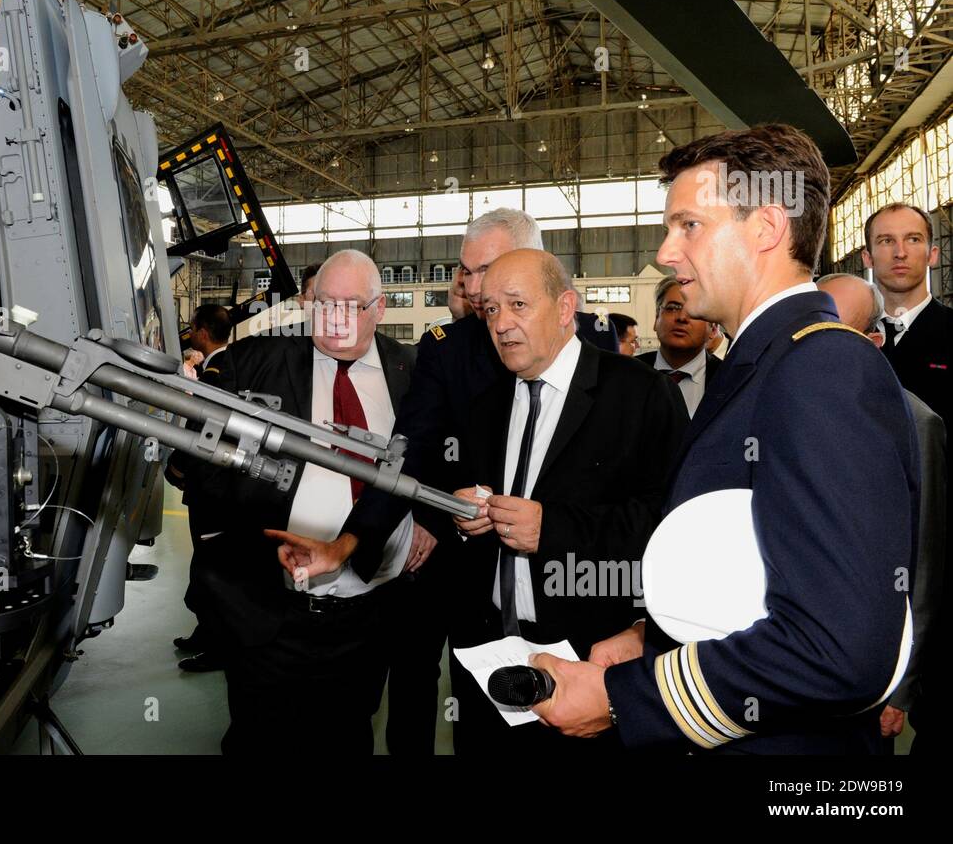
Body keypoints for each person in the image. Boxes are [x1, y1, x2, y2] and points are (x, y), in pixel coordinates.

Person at [528, 123, 917, 754]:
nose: (666, 252)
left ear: (765, 228)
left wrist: (626, 695)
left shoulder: (821, 369)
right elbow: (758, 572)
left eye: (689, 225)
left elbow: (842, 648)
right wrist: (652, 635)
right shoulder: (766, 364)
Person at [261, 208, 607, 754]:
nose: (473, 288)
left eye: (488, 272)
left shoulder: (606, 360)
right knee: (469, 714)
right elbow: (410, 452)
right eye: (467, 273)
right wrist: (360, 539)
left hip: (576, 583)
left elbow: (627, 491)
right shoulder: (448, 348)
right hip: (464, 573)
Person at [444, 249, 687, 753]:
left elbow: (671, 525)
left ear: (564, 308)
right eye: (490, 309)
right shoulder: (483, 405)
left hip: (591, 669)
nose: (502, 324)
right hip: (488, 660)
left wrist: (551, 530)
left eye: (517, 305)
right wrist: (464, 515)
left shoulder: (639, 394)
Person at [186, 249, 418, 754]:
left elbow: (436, 459)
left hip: (369, 611)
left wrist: (430, 523)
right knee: (258, 739)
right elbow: (193, 469)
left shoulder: (412, 372)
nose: (334, 318)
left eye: (351, 306)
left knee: (349, 737)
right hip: (268, 610)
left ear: (380, 308)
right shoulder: (251, 363)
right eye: (324, 303)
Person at [819, 272, 947, 751]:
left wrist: (902, 686)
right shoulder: (778, 410)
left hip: (869, 677)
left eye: (831, 330)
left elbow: (926, 566)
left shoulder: (915, 424)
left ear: (873, 341)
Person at [863, 201, 953, 753]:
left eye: (913, 240)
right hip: (864, 542)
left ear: (933, 253)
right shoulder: (844, 339)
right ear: (869, 256)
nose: (900, 251)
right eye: (888, 241)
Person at [170, 304, 234, 671]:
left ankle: (219, 644)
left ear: (203, 331)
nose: (189, 333)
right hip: (217, 488)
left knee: (214, 565)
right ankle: (206, 630)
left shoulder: (214, 375)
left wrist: (177, 465)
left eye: (192, 327)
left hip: (212, 491)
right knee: (208, 560)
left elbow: (198, 431)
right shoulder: (228, 366)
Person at [636, 277, 722, 417]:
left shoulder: (729, 378)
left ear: (713, 329)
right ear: (656, 318)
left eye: (694, 310)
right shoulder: (627, 374)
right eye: (672, 308)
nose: (682, 317)